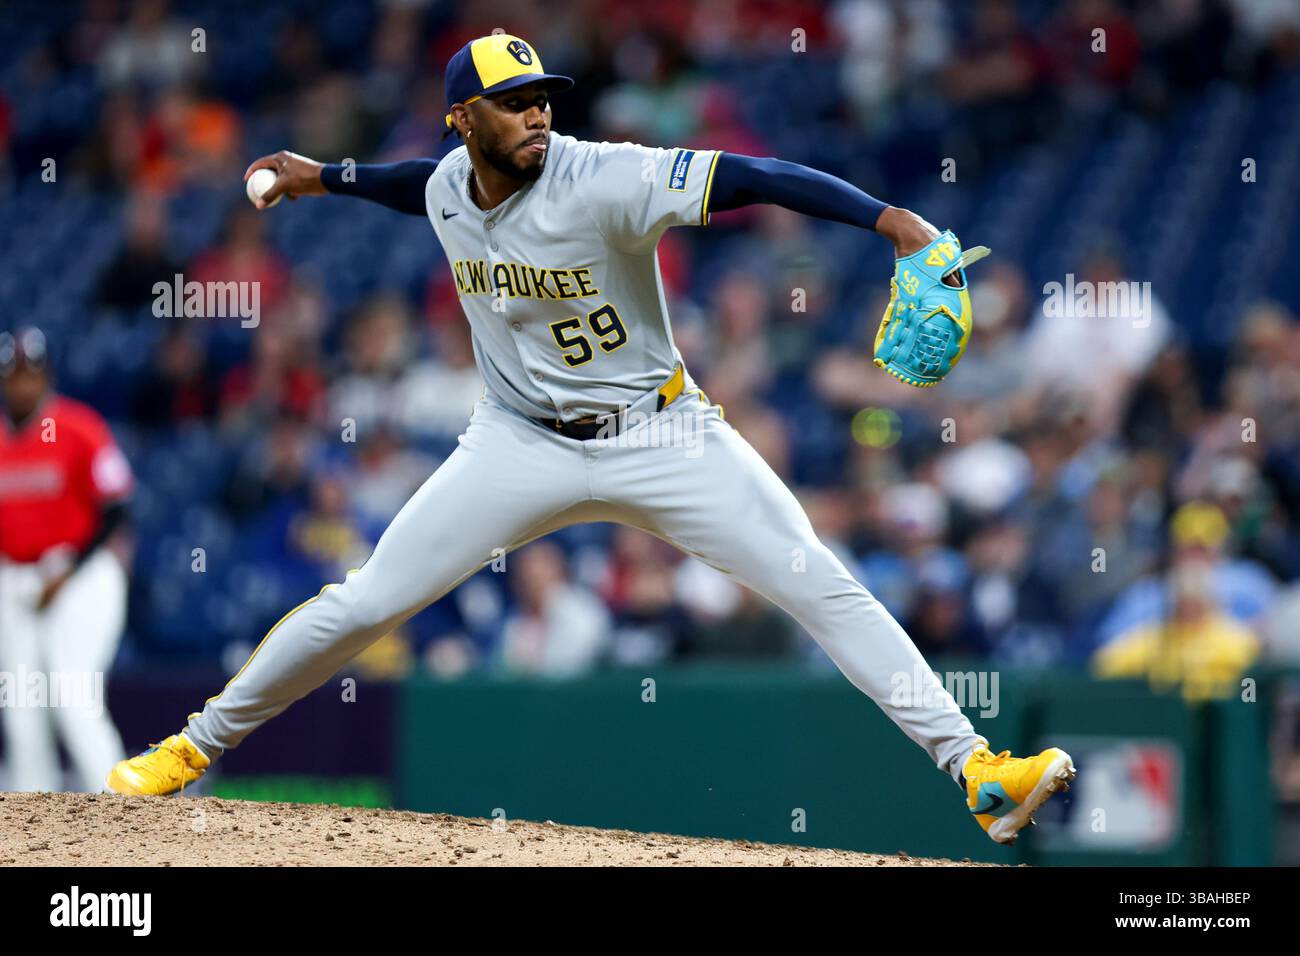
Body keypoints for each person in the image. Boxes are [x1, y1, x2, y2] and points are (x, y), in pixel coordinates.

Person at [108, 34, 1074, 845]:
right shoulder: (450, 184)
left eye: (541, 98)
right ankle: (191, 748)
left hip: (665, 432)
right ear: (465, 120)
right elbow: (414, 186)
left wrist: (889, 219)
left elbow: (756, 175)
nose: (536, 114)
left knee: (818, 579)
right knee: (366, 602)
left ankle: (976, 768)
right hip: (515, 444)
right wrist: (322, 176)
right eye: (513, 101)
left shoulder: (603, 174)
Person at [0, 327, 134, 791]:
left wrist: (69, 568)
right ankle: (28, 835)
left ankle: (121, 810)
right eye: (12, 375)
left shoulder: (78, 426)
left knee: (73, 696)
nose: (21, 384)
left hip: (80, 573)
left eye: (29, 374)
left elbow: (117, 508)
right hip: (14, 577)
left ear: (46, 376)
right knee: (19, 707)